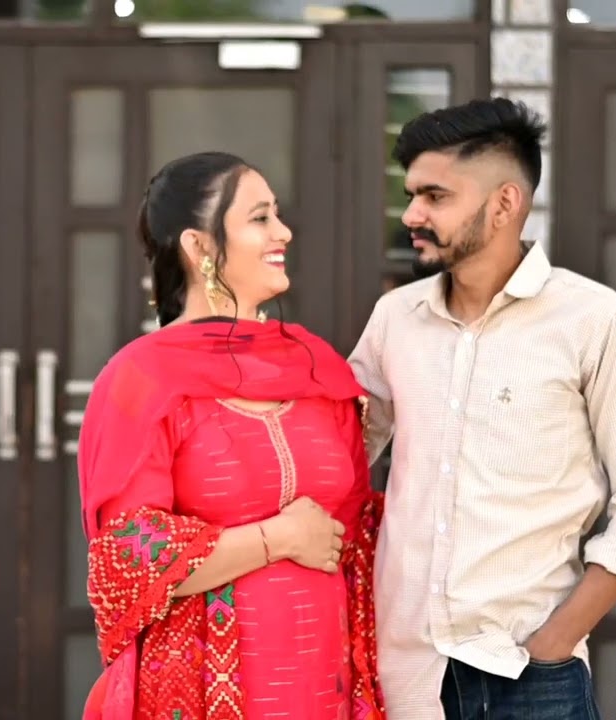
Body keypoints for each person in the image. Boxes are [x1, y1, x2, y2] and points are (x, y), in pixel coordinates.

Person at [348, 97, 616, 719]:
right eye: (412, 195)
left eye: (435, 197)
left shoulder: (594, 319)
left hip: (531, 675)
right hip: (407, 673)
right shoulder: (396, 318)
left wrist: (553, 644)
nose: (412, 214)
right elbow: (338, 457)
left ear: (505, 203)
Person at [78, 151, 386, 720]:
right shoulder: (141, 380)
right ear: (198, 246)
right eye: (260, 218)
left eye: (277, 215)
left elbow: (354, 534)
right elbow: (128, 558)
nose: (283, 232)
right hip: (200, 693)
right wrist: (277, 538)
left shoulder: (319, 370)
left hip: (325, 683)